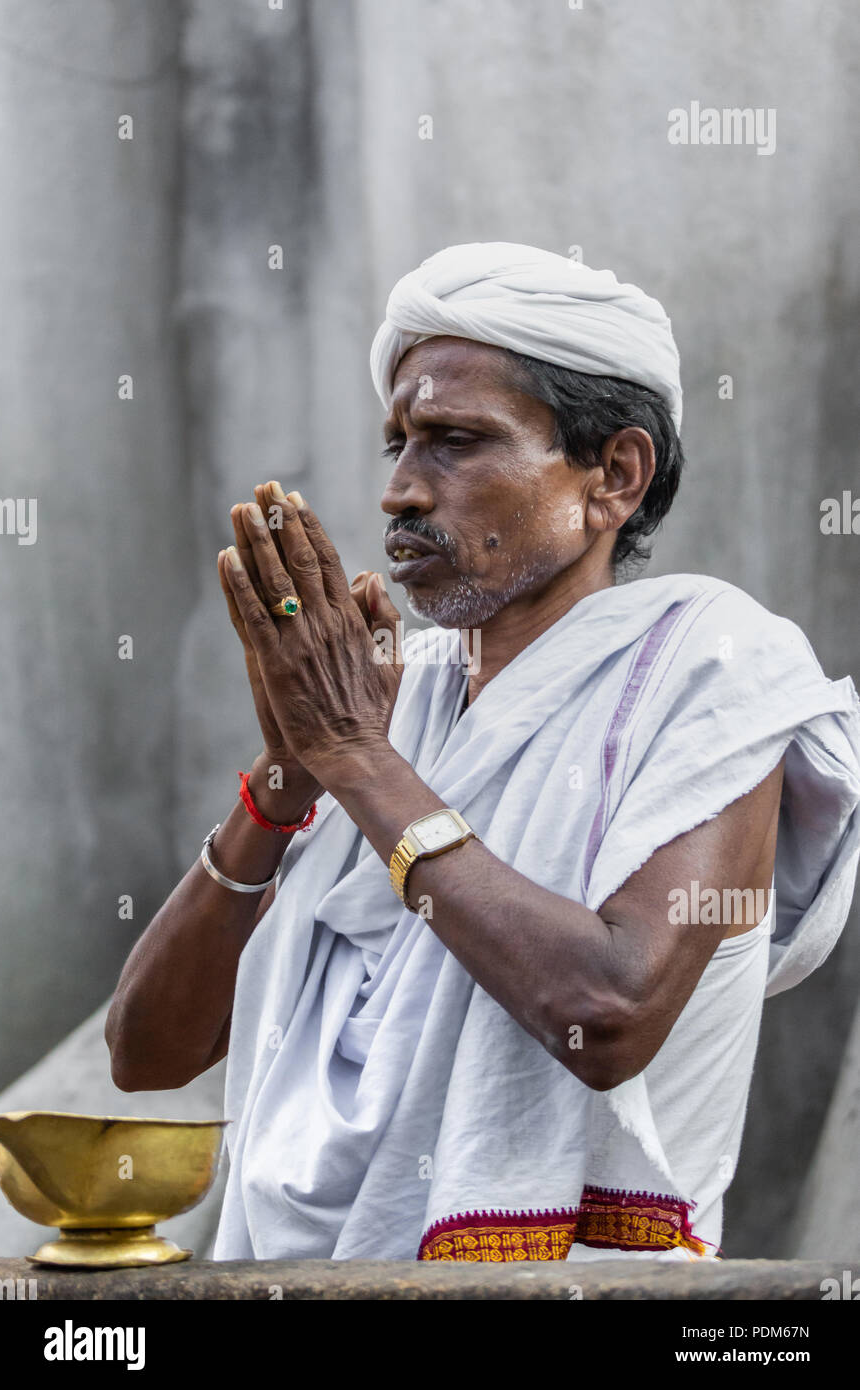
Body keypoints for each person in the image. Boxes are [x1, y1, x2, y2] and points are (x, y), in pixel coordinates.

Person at [106, 243, 860, 1263]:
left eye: (455, 442)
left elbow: (608, 1009)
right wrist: (287, 772)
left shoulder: (710, 666)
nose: (401, 493)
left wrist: (354, 757)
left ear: (614, 476)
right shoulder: (392, 703)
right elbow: (147, 1051)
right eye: (398, 447)